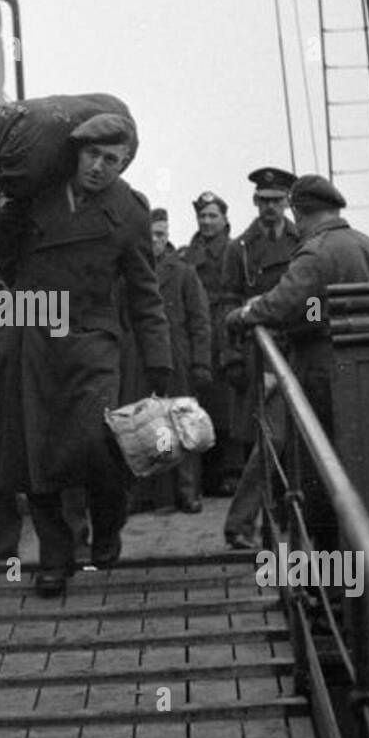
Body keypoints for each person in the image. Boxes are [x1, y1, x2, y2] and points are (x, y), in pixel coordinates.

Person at [0, 113, 172, 596]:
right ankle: (54, 559)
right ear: (76, 153)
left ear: (124, 164)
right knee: (36, 453)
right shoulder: (36, 197)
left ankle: (108, 526)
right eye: (92, 156)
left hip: (92, 340)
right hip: (34, 334)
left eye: (111, 160)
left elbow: (144, 293)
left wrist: (159, 359)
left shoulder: (130, 213)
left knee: (97, 443)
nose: (99, 167)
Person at [226, 174, 369, 549]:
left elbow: (283, 302)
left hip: (322, 369)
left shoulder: (317, 251)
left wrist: (242, 316)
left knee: (318, 474)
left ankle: (327, 586)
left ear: (300, 214)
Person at [221, 168, 299, 484]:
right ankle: (264, 515)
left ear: (288, 201)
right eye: (264, 200)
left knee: (296, 434)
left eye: (277, 200)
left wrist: (311, 323)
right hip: (258, 347)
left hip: (296, 343)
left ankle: (286, 514)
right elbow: (226, 304)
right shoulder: (238, 249)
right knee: (265, 435)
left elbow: (314, 298)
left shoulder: (303, 242)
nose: (270, 207)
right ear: (255, 201)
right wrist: (231, 357)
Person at [148, 208, 211, 513]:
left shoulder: (183, 272)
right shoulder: (133, 271)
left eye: (160, 234)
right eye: (150, 234)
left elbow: (200, 321)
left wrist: (201, 362)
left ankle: (188, 491)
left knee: (183, 422)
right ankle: (162, 494)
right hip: (144, 358)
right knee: (156, 425)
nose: (155, 241)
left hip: (178, 357)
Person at [180, 190, 239, 494]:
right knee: (200, 401)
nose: (206, 221)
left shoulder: (236, 251)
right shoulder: (187, 256)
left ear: (225, 219)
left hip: (228, 329)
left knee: (229, 401)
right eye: (202, 216)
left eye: (213, 215)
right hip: (199, 332)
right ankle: (206, 474)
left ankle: (231, 472)